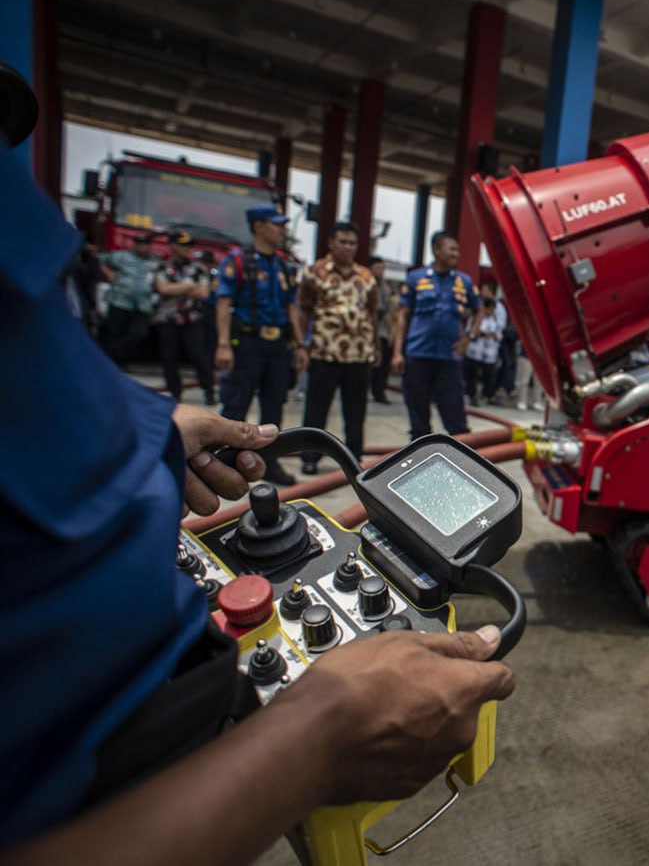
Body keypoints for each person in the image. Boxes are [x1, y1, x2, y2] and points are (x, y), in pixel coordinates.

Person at [0, 144, 515, 865]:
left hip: (151, 678)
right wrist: (308, 746)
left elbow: (29, 370)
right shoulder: (254, 268)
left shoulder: (391, 282)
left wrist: (142, 433)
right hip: (101, 752)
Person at [214, 204, 308, 486]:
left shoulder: (283, 265)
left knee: (274, 406)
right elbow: (223, 303)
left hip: (278, 345)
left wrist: (300, 344)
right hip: (246, 343)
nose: (282, 229)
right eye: (276, 224)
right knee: (235, 404)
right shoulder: (237, 261)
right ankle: (224, 461)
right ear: (258, 227)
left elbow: (292, 308)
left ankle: (269, 461)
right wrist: (222, 344)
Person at [297, 222, 380, 476]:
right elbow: (302, 308)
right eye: (342, 241)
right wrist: (301, 344)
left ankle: (354, 461)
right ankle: (310, 456)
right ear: (331, 243)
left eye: (352, 243)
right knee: (316, 410)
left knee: (355, 413)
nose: (347, 247)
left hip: (358, 354)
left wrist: (376, 345)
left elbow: (373, 312)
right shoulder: (314, 273)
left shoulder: (366, 276)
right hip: (325, 352)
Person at [391, 232, 478, 438]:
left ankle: (462, 461)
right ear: (436, 250)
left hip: (449, 358)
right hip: (418, 355)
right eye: (451, 249)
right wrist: (397, 353)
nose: (456, 254)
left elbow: (478, 310)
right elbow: (402, 316)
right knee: (418, 416)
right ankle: (421, 458)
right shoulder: (416, 279)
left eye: (457, 250)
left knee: (456, 417)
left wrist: (468, 337)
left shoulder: (463, 282)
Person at [153, 231, 216, 405]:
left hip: (192, 319)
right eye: (182, 245)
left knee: (198, 355)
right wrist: (189, 286)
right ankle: (175, 392)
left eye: (188, 245)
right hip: (168, 319)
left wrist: (176, 288)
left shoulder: (198, 269)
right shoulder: (162, 267)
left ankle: (209, 391)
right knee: (169, 357)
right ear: (172, 245)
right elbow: (163, 289)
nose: (186, 249)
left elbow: (203, 293)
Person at [98, 232, 158, 367]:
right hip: (120, 301)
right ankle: (112, 364)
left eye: (145, 244)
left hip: (142, 304)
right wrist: (109, 274)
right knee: (114, 333)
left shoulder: (154, 262)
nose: (142, 247)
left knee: (138, 333)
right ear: (135, 244)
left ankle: (113, 355)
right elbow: (101, 259)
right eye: (140, 244)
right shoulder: (122, 256)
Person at [464, 296, 502, 406]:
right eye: (489, 308)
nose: (491, 311)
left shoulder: (495, 320)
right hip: (475, 352)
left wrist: (494, 335)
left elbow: (500, 334)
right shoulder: (475, 319)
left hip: (490, 353)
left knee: (488, 375)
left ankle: (488, 395)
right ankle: (472, 395)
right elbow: (469, 332)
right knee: (473, 375)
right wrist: (481, 334)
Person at [368, 256, 394, 405]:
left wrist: (391, 332)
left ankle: (379, 392)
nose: (381, 271)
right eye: (378, 268)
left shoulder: (386, 288)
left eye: (383, 268)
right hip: (367, 331)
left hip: (382, 329)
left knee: (383, 364)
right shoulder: (365, 285)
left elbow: (389, 312)